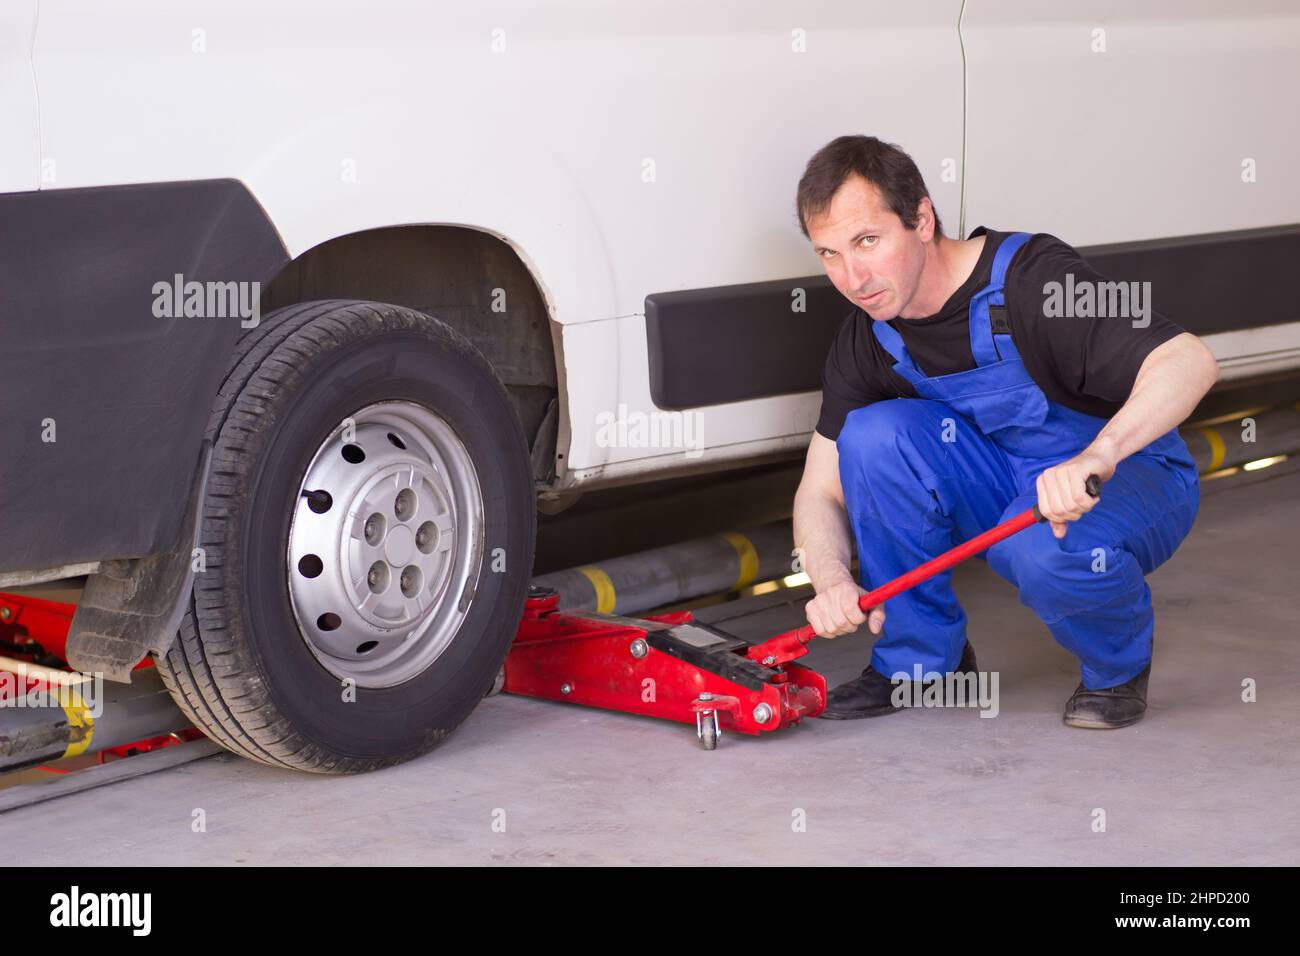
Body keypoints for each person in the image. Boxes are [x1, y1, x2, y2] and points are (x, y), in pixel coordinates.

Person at [792, 135, 1218, 728]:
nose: (853, 276)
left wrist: (1098, 455)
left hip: (1132, 474)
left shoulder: (1033, 282)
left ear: (921, 217)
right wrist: (832, 581)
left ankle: (1117, 668)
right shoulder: (869, 338)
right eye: (829, 254)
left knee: (1044, 548)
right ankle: (922, 666)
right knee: (871, 434)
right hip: (1010, 483)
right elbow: (818, 487)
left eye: (867, 241)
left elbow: (1190, 360)